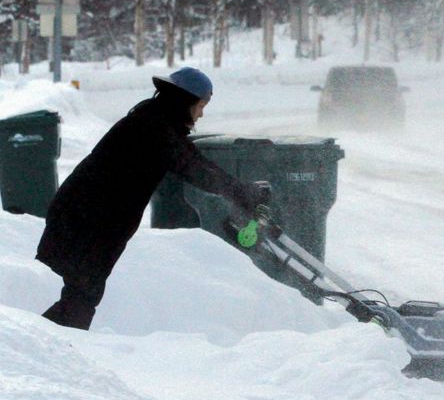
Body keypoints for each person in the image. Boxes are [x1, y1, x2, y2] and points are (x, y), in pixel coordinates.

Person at [35, 67, 269, 330]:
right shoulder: (154, 128)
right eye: (201, 105)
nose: (202, 113)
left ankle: (47, 348)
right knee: (82, 294)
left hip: (88, 217)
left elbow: (193, 160)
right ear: (186, 100)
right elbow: (196, 169)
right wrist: (241, 193)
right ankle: (44, 348)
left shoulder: (155, 119)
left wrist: (239, 191)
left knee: (82, 294)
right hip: (86, 220)